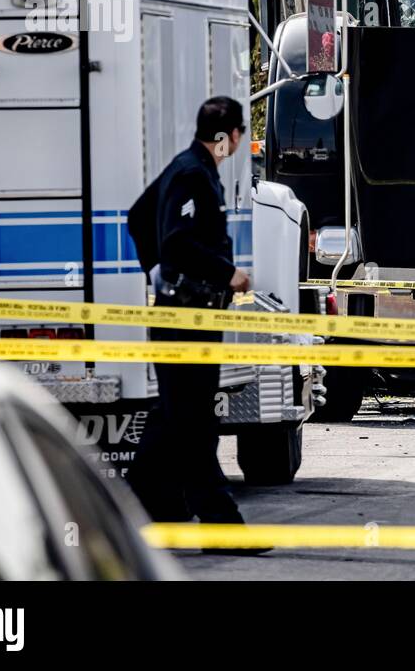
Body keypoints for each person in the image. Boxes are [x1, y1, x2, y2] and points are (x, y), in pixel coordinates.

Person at [126, 96, 256, 543]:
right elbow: (176, 242)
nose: (239, 141)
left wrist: (156, 274)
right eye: (239, 133)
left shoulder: (190, 168)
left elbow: (138, 217)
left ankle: (146, 504)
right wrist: (229, 273)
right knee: (196, 421)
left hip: (187, 315)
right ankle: (222, 524)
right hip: (188, 319)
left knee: (173, 417)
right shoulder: (192, 173)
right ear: (227, 136)